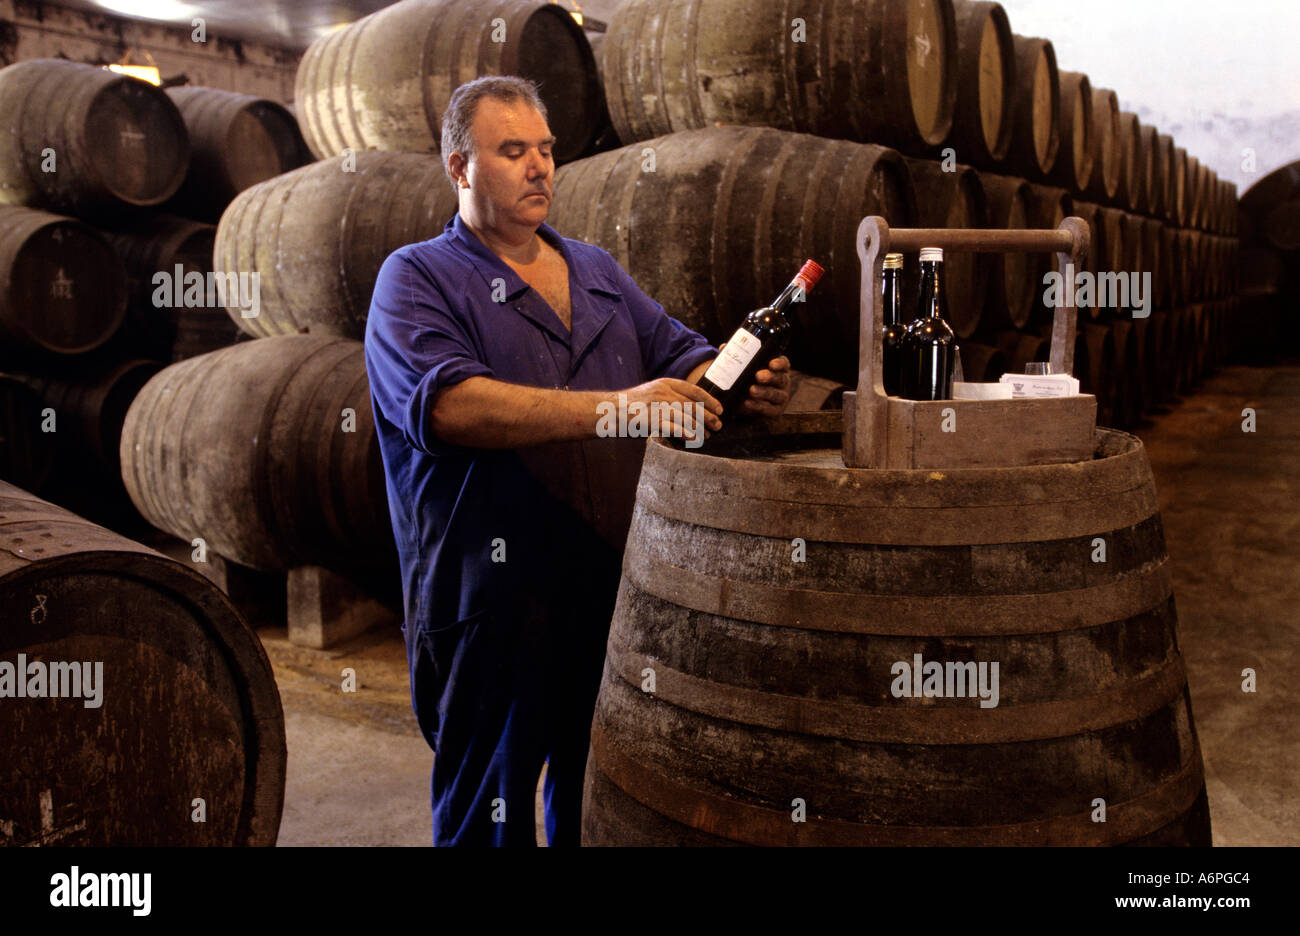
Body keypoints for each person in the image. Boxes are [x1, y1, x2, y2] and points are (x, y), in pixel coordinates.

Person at [363, 75, 791, 846]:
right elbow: (452, 407)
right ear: (460, 167)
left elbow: (683, 358)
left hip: (604, 586)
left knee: (590, 800)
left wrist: (739, 379)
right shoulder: (416, 278)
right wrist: (623, 406)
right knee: (484, 813)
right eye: (512, 151)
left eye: (547, 150)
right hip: (488, 599)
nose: (539, 168)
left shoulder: (594, 269)